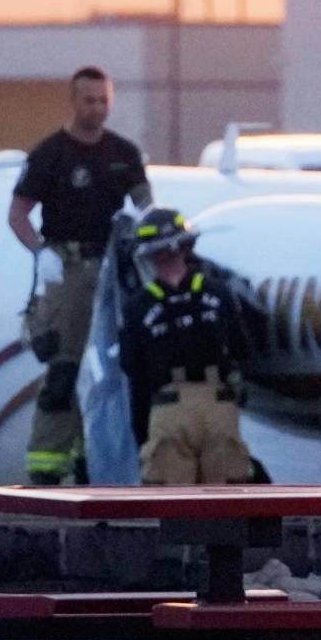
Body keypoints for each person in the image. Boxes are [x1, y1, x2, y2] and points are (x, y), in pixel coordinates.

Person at [7, 66, 152, 485]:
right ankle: (46, 468)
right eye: (89, 101)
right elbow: (18, 214)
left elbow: (145, 201)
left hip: (112, 271)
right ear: (73, 102)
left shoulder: (123, 153)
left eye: (104, 100)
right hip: (67, 269)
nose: (97, 109)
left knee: (113, 370)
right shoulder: (51, 154)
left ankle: (96, 460)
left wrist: (144, 222)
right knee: (65, 367)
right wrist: (40, 253)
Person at [119, 207, 256, 487]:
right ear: (186, 246)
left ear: (148, 255)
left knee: (171, 499)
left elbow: (132, 367)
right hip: (219, 403)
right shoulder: (218, 292)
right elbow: (243, 347)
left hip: (168, 406)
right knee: (227, 496)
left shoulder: (138, 306)